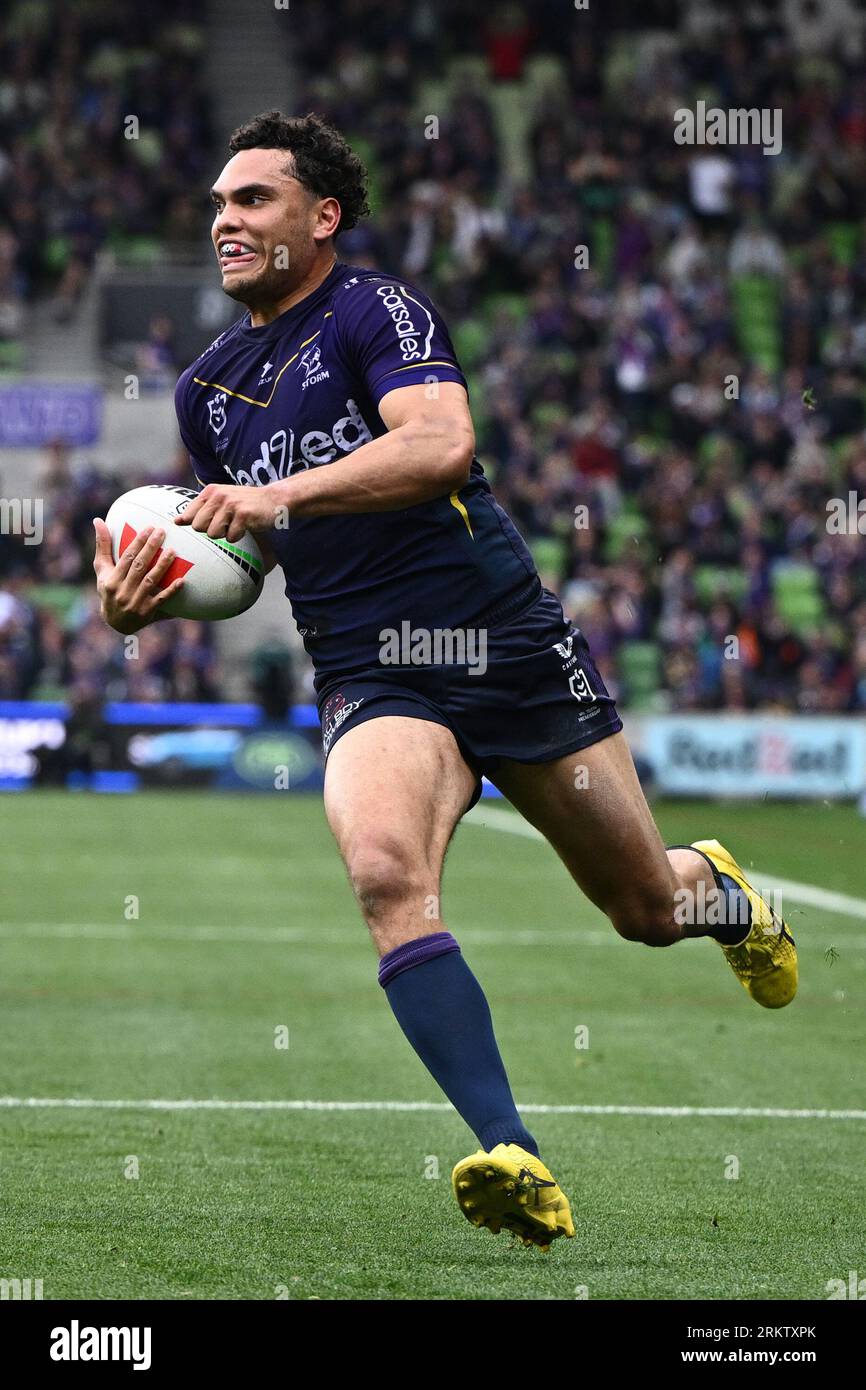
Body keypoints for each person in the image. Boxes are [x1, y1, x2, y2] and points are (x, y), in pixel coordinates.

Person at [92, 112, 797, 1252]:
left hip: (496, 640)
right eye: (218, 205)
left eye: (252, 201)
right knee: (384, 876)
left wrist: (279, 497)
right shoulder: (206, 392)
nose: (225, 222)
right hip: (370, 668)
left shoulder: (374, 310)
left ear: (320, 219)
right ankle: (507, 1146)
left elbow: (439, 447)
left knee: (643, 910)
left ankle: (717, 890)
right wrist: (155, 591)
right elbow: (251, 554)